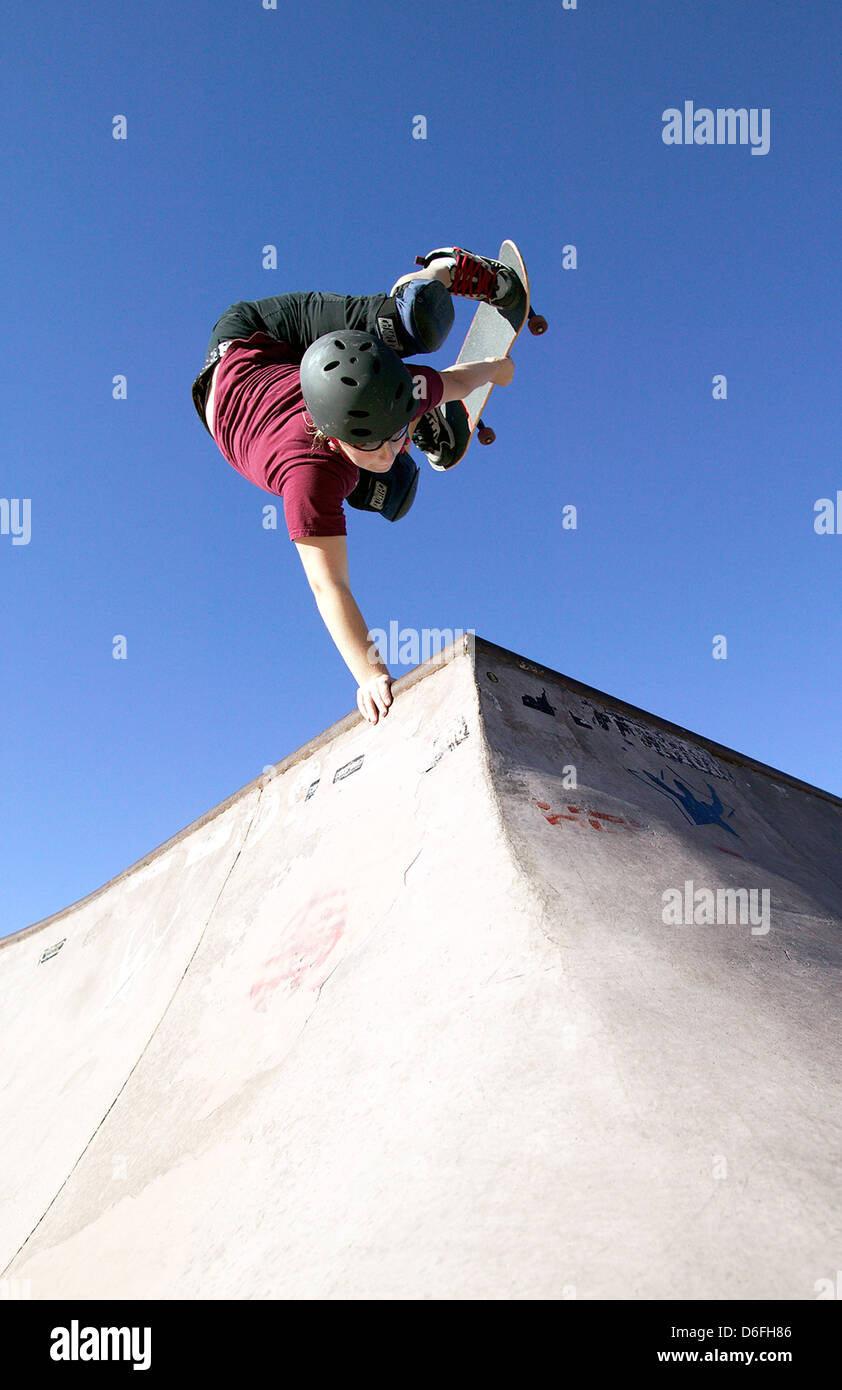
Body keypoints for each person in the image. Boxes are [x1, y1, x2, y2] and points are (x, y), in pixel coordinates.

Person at [190, 247, 516, 725]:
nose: (388, 448)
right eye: (376, 443)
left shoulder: (393, 389)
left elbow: (455, 381)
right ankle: (413, 435)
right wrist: (370, 674)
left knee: (408, 328)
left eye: (399, 431)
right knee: (396, 491)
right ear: (338, 437)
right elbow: (330, 586)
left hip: (284, 354)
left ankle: (443, 269)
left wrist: (496, 370)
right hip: (242, 370)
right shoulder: (308, 479)